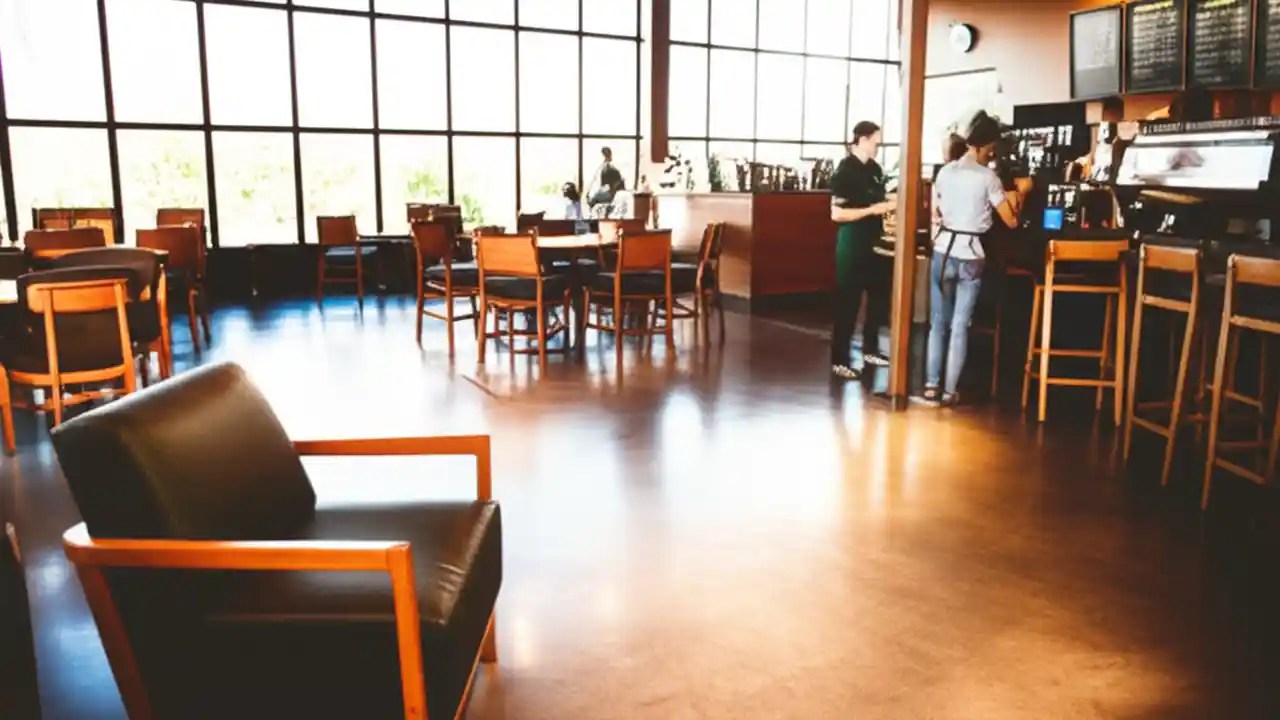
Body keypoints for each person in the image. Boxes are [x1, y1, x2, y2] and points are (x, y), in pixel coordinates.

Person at [923, 113, 1020, 407]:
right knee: (959, 325)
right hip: (971, 254)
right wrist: (1019, 197)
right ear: (987, 145)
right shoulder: (988, 178)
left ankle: (930, 385)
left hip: (942, 250)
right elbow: (1011, 222)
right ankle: (951, 390)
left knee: (937, 323)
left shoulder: (944, 172)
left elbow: (936, 212)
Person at [829, 121, 896, 380]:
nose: (878, 147)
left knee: (879, 297)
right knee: (848, 302)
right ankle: (840, 358)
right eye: (876, 141)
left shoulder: (875, 169)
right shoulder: (846, 170)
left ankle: (871, 349)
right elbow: (837, 213)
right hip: (853, 243)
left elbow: (878, 198)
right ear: (863, 139)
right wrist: (871, 210)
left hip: (876, 243)